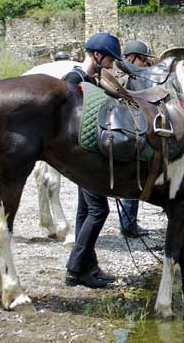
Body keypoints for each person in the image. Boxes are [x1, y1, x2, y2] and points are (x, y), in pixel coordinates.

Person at [62, 32, 123, 289]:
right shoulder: (74, 80)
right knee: (99, 210)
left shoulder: (89, 80)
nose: (111, 65)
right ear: (97, 55)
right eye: (109, 59)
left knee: (85, 211)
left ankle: (89, 266)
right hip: (83, 157)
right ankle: (75, 269)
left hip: (82, 157)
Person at [116, 39, 154, 238]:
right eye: (145, 61)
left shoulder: (118, 73)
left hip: (124, 131)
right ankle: (128, 225)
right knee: (134, 179)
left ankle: (128, 222)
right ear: (136, 58)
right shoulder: (131, 77)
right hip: (130, 133)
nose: (147, 65)